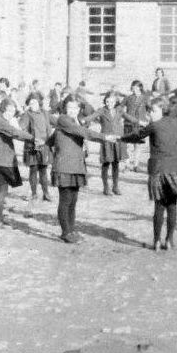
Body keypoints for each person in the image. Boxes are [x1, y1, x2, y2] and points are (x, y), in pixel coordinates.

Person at [121, 97, 177, 250]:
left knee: (159, 207)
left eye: (152, 111)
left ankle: (156, 241)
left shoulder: (153, 126)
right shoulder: (176, 123)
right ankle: (169, 240)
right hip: (175, 170)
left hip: (158, 171)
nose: (150, 114)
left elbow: (137, 136)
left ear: (163, 109)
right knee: (172, 206)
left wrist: (121, 138)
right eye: (149, 112)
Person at [49, 97, 114, 244]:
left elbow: (52, 139)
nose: (72, 110)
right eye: (70, 107)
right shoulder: (63, 120)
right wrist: (104, 137)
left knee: (73, 200)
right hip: (65, 167)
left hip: (76, 166)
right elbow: (81, 131)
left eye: (75, 108)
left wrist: (45, 145)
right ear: (65, 108)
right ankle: (66, 232)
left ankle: (70, 230)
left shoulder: (72, 122)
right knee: (65, 200)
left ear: (79, 109)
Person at [0, 94, 32, 228]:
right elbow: (15, 133)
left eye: (13, 111)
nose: (11, 113)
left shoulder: (0, 121)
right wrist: (33, 138)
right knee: (1, 191)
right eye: (9, 110)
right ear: (3, 109)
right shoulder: (0, 122)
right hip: (2, 161)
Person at [89, 91, 127, 196]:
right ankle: (106, 188)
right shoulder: (102, 110)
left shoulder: (119, 110)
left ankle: (115, 187)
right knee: (106, 164)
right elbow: (92, 116)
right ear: (105, 101)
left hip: (116, 140)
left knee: (116, 163)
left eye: (111, 102)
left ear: (115, 102)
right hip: (106, 140)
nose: (109, 103)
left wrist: (140, 122)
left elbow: (129, 118)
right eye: (107, 101)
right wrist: (83, 121)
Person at [19, 95, 53, 202]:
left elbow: (53, 124)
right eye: (31, 103)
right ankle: (33, 193)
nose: (33, 105)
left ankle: (46, 193)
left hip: (44, 145)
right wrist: (32, 139)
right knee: (33, 170)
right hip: (32, 146)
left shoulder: (45, 113)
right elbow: (22, 128)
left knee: (43, 170)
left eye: (35, 102)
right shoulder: (27, 114)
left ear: (39, 103)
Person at [122, 81, 150, 172]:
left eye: (136, 87)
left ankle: (136, 165)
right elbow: (119, 108)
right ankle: (127, 164)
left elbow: (150, 109)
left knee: (137, 145)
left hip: (140, 125)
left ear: (140, 88)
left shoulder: (145, 98)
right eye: (133, 87)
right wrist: (124, 116)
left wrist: (147, 118)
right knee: (128, 146)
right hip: (129, 124)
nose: (134, 89)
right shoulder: (128, 98)